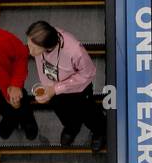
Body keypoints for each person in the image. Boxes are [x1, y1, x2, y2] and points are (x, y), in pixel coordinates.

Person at [25, 20, 106, 151]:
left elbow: (89, 73)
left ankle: (99, 131)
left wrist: (56, 89)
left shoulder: (74, 50)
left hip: (78, 91)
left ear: (47, 45)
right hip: (53, 90)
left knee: (89, 114)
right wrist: (49, 90)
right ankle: (72, 128)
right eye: (29, 45)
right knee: (63, 113)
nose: (30, 51)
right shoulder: (40, 40)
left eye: (34, 48)